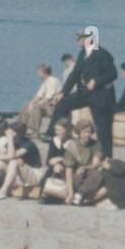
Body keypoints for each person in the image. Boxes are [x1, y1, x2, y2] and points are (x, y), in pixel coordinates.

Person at [48, 28, 117, 158]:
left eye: (80, 37)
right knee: (63, 103)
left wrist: (96, 81)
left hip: (101, 96)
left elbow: (113, 74)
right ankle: (54, 134)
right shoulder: (82, 53)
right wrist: (63, 92)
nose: (77, 40)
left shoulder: (102, 54)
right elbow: (74, 75)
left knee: (103, 129)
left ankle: (107, 157)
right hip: (84, 93)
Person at [0, 122, 43, 199]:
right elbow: (4, 154)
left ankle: (3, 191)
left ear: (16, 133)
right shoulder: (13, 142)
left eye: (10, 132)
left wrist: (9, 139)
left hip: (34, 175)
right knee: (0, 162)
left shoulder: (28, 144)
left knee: (14, 161)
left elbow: (11, 156)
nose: (7, 133)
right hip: (18, 176)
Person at [62, 122, 100, 205]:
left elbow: (95, 164)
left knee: (98, 173)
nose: (87, 135)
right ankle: (75, 195)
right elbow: (68, 171)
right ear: (79, 133)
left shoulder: (95, 144)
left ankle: (80, 194)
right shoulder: (72, 146)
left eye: (89, 132)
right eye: (84, 132)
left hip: (89, 174)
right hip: (75, 176)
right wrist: (70, 192)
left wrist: (85, 168)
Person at [20, 63, 62, 135]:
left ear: (44, 72)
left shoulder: (52, 81)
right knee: (26, 105)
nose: (38, 74)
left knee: (36, 108)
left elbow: (48, 98)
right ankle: (20, 127)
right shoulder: (45, 82)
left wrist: (35, 105)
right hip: (46, 105)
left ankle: (34, 130)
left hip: (54, 106)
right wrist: (30, 103)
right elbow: (38, 96)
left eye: (39, 72)